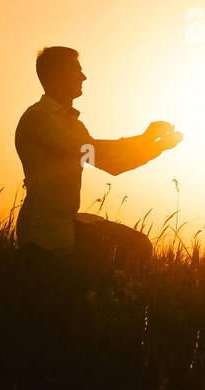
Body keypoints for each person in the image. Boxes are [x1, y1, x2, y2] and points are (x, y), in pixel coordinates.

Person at [14, 46, 182, 263]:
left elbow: (112, 165)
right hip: (41, 239)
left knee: (138, 245)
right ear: (56, 76)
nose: (83, 76)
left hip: (67, 229)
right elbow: (93, 150)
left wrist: (157, 147)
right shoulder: (39, 118)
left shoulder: (74, 125)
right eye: (76, 70)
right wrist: (144, 138)